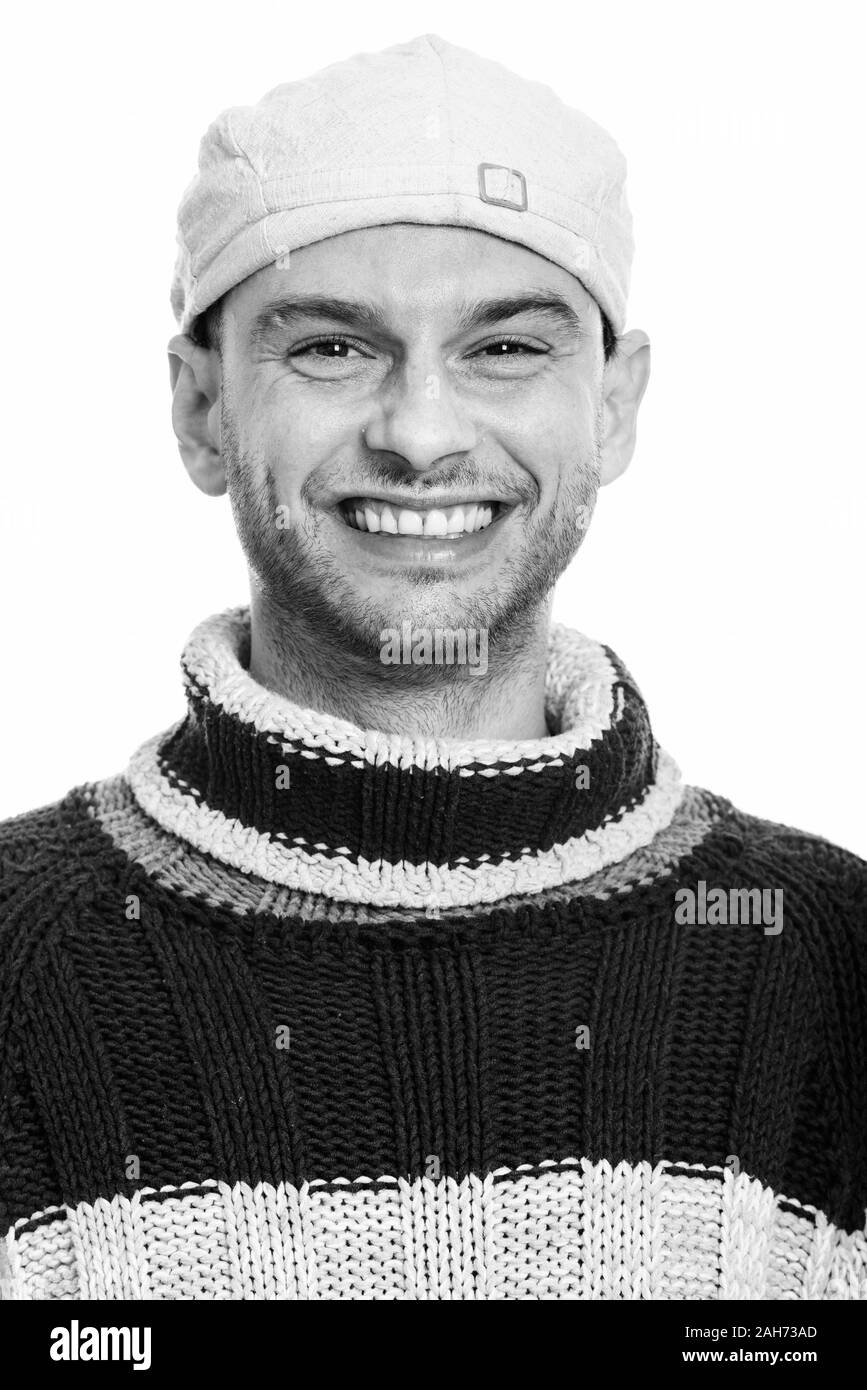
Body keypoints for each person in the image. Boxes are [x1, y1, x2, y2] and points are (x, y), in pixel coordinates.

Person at [1, 33, 864, 1302]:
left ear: (615, 405)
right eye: (331, 348)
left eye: (506, 348)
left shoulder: (832, 959)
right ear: (199, 407)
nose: (419, 433)